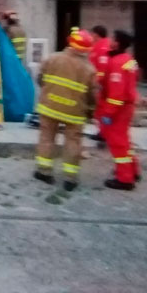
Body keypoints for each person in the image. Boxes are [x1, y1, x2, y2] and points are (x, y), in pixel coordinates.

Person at [34, 28, 99, 191]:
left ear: (70, 42)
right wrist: (91, 110)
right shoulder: (89, 69)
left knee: (47, 138)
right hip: (75, 112)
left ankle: (44, 171)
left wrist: (49, 92)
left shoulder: (52, 58)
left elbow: (40, 79)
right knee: (73, 142)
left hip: (50, 107)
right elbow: (92, 95)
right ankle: (70, 178)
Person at [99, 30, 142, 191]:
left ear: (118, 43)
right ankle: (133, 170)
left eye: (113, 39)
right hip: (126, 106)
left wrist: (108, 113)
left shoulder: (117, 63)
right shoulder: (129, 60)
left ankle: (124, 179)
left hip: (119, 109)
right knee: (125, 141)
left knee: (118, 144)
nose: (110, 41)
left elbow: (116, 93)